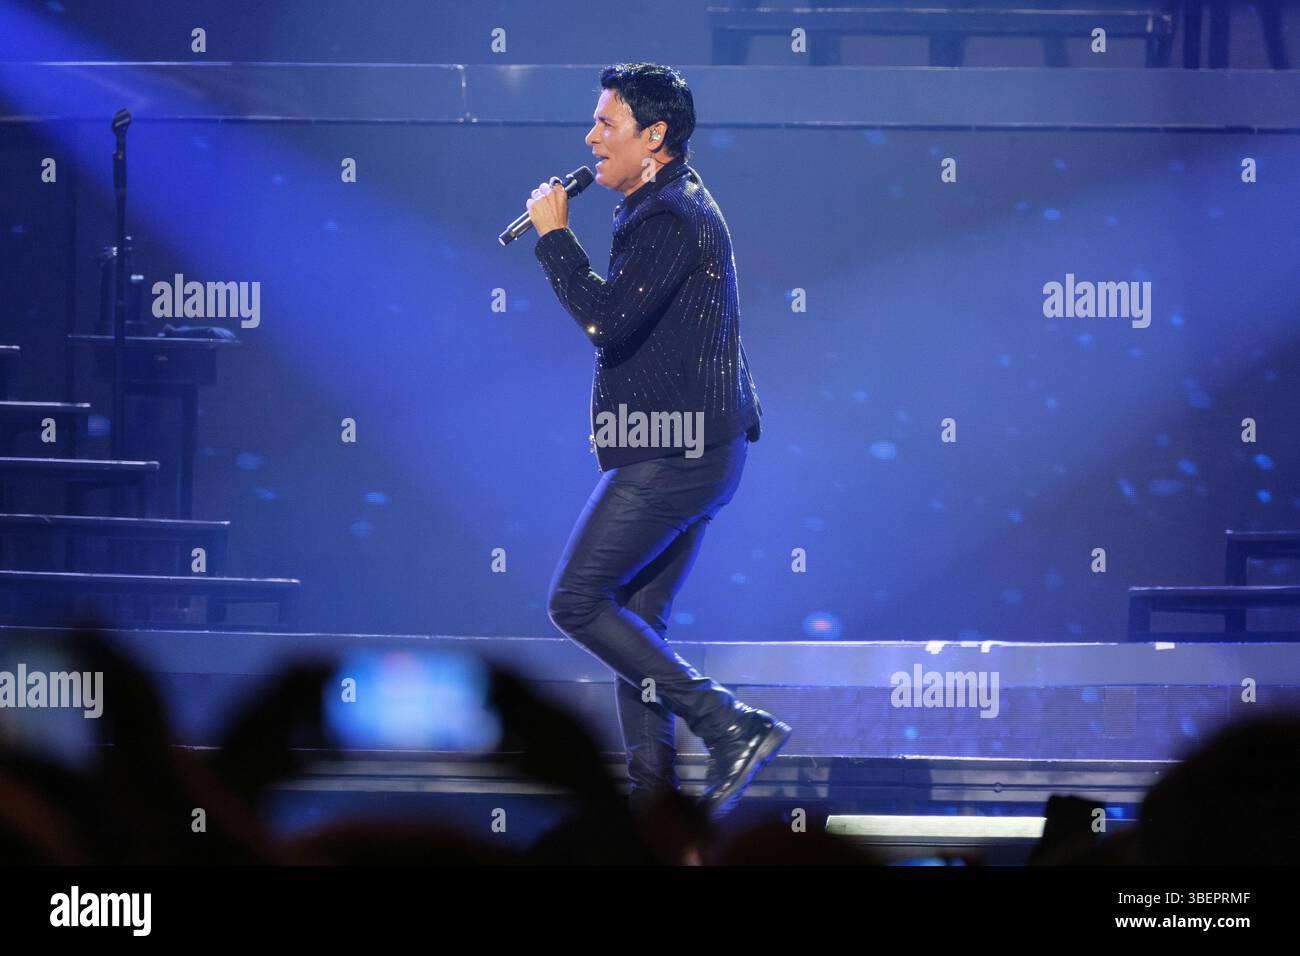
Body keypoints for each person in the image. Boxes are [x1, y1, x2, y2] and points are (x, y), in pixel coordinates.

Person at [526, 62, 790, 818]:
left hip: (681, 453)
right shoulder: (659, 206)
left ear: (655, 137)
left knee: (576, 601)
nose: (590, 137)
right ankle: (652, 802)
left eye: (606, 124)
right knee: (631, 621)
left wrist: (553, 239)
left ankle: (727, 722)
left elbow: (607, 321)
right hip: (686, 444)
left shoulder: (670, 214)